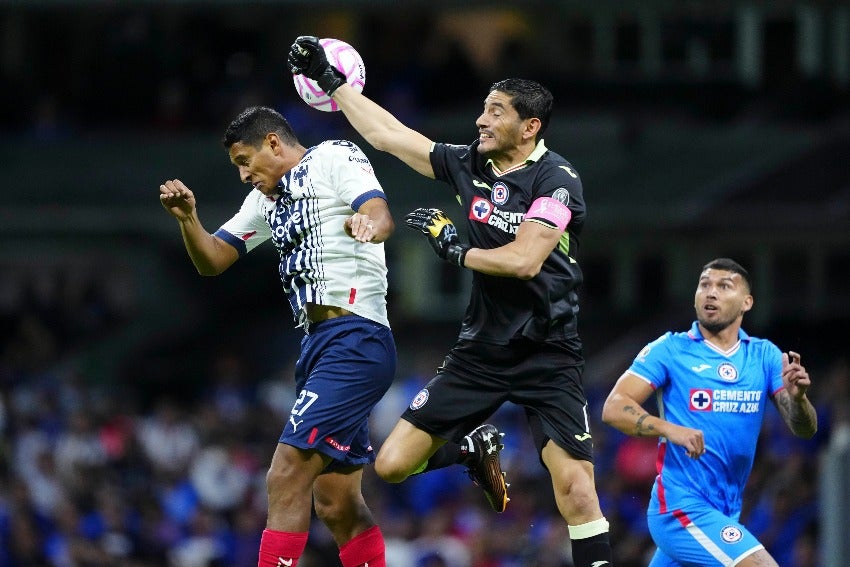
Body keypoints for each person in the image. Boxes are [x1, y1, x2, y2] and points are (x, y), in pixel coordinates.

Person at [289, 37, 614, 567]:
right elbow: (388, 135)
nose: (481, 120)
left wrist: (455, 251)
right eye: (483, 108)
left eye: (496, 112)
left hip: (548, 354)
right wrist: (332, 83)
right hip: (481, 352)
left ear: (529, 127)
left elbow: (525, 260)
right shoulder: (469, 164)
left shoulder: (557, 180)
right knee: (392, 465)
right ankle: (471, 448)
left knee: (577, 490)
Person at [158, 105, 397, 567]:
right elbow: (213, 260)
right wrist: (188, 219)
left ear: (272, 142)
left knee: (285, 474)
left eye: (244, 161)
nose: (244, 175)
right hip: (318, 347)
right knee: (336, 502)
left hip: (356, 336)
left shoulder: (333, 156)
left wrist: (368, 225)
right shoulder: (264, 201)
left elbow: (379, 213)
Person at [601, 258, 817, 567]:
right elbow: (613, 407)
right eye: (705, 285)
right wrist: (670, 429)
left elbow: (804, 428)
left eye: (724, 286)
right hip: (680, 509)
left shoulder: (764, 355)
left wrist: (799, 399)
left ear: (747, 302)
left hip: (724, 511)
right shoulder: (670, 349)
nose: (711, 292)